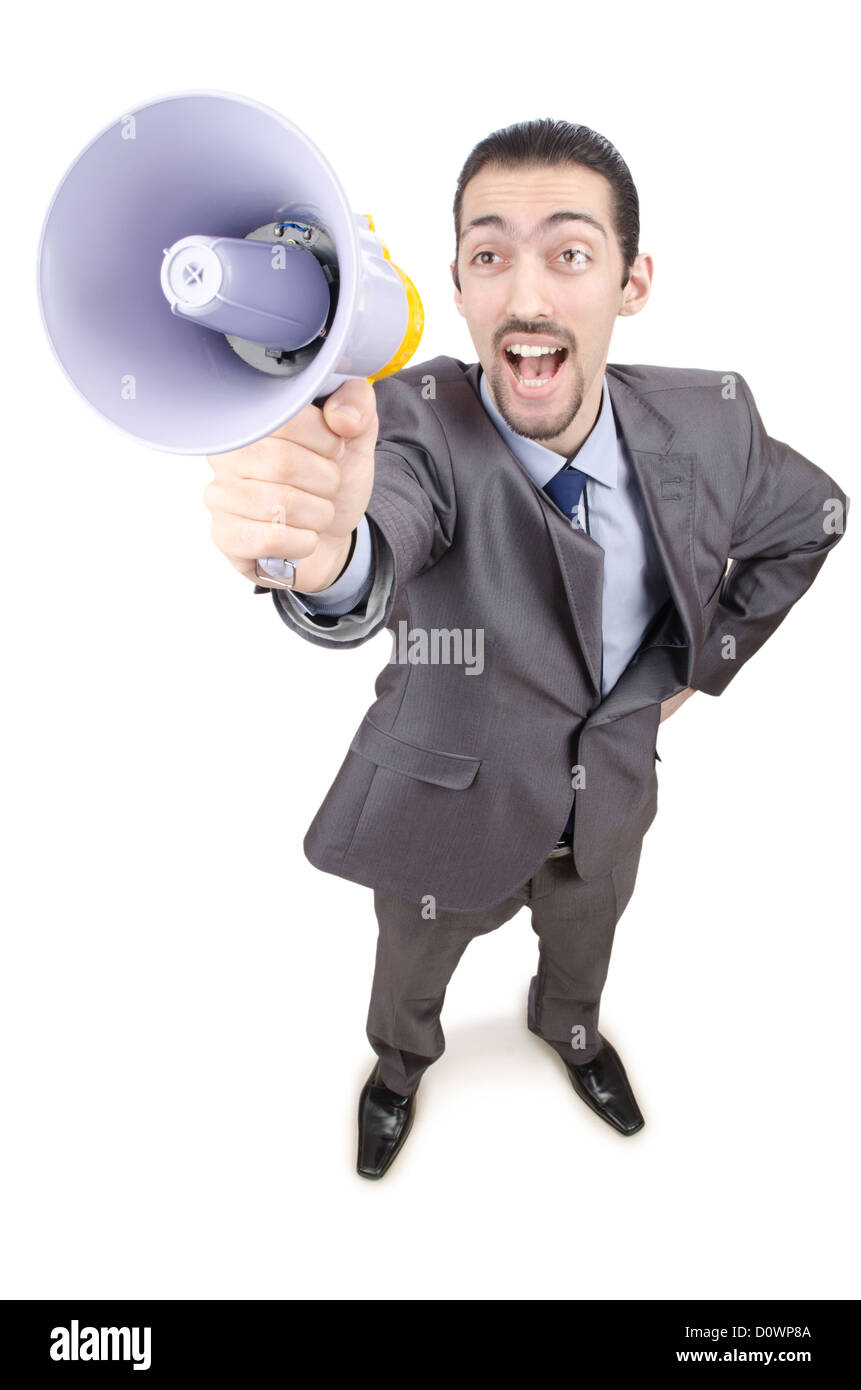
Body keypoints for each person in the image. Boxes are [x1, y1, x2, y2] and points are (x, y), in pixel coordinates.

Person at [204, 118, 849, 1180]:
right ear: (458, 284)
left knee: (586, 943)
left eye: (571, 252)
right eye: (492, 254)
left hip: (611, 803)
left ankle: (573, 1032)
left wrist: (693, 670)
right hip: (448, 806)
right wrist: (325, 560)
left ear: (632, 282)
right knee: (410, 966)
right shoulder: (414, 421)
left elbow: (813, 515)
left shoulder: (710, 420)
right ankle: (399, 1070)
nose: (531, 296)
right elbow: (374, 535)